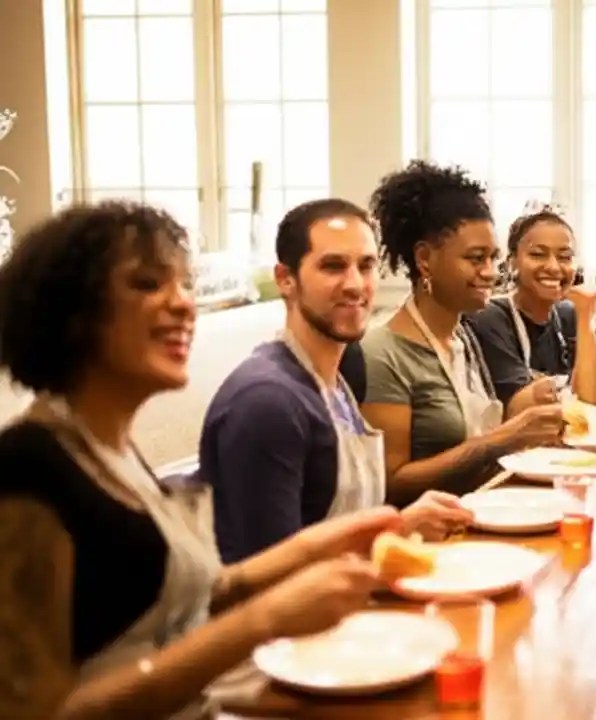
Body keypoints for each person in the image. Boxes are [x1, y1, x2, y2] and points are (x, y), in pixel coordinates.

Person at [0, 201, 400, 719]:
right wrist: (264, 618)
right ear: (70, 311)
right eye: (147, 284)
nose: (183, 305)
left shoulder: (111, 450)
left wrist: (326, 543)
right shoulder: (29, 470)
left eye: (185, 285)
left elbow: (200, 593)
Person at [201, 199, 471, 563]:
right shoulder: (267, 402)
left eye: (366, 265)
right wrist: (394, 532)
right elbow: (268, 579)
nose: (355, 285)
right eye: (333, 267)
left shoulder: (340, 379)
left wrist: (400, 527)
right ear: (285, 279)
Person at [360, 162, 565, 499]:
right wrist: (503, 439)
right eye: (475, 259)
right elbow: (392, 482)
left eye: (494, 258)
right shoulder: (383, 354)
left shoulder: (463, 338)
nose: (491, 272)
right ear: (425, 259)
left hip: (482, 510)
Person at [464, 200, 596, 411]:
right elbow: (522, 407)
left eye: (564, 257)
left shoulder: (571, 315)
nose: (554, 267)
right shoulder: (488, 317)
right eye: (538, 254)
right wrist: (575, 383)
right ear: (512, 262)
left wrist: (585, 316)